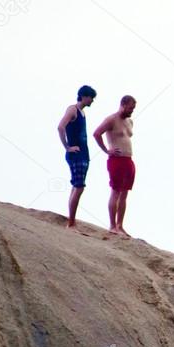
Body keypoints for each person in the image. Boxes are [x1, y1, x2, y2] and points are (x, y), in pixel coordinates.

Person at [93, 96, 137, 237]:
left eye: (133, 108)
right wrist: (107, 150)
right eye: (130, 108)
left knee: (125, 194)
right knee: (116, 191)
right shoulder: (111, 119)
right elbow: (96, 133)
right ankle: (112, 225)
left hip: (128, 160)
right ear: (123, 105)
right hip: (116, 160)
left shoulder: (130, 121)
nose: (132, 111)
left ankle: (120, 225)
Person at [57, 85, 97, 229]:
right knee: (79, 187)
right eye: (91, 97)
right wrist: (67, 147)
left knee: (77, 186)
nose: (92, 101)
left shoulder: (82, 113)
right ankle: (71, 223)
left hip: (83, 154)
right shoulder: (72, 109)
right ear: (84, 96)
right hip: (76, 154)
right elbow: (60, 127)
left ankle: (71, 220)